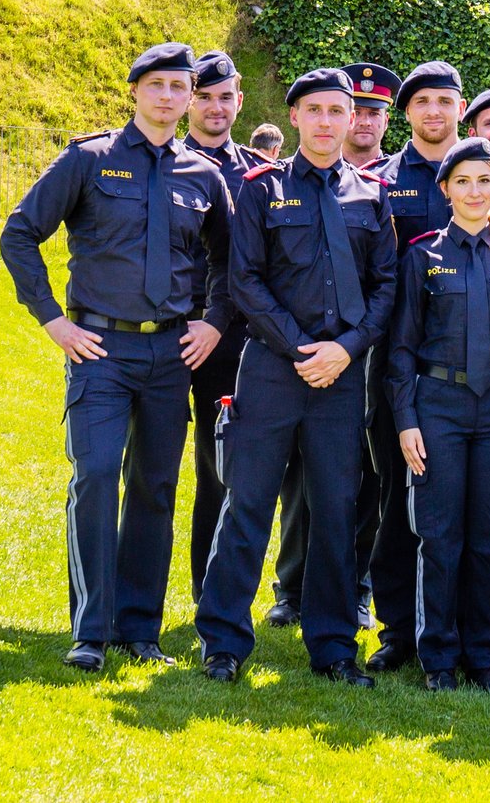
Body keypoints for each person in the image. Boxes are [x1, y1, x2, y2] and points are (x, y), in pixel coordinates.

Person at [0, 42, 232, 673]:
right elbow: (19, 234)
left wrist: (212, 324)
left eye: (179, 87)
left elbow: (233, 262)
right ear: (135, 92)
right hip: (98, 348)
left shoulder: (203, 176)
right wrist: (53, 321)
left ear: (189, 98)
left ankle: (140, 629)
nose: (168, 97)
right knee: (97, 475)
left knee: (155, 489)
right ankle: (91, 630)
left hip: (169, 351)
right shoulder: (89, 159)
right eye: (156, 85)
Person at [196, 69, 399, 685]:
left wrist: (346, 349)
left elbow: (386, 284)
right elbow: (244, 281)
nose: (327, 121)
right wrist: (303, 347)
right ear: (295, 118)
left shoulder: (370, 194)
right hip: (273, 369)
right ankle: (224, 642)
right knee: (248, 503)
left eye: (338, 111)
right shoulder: (259, 189)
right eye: (314, 110)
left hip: (342, 376)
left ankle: (334, 646)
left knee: (337, 509)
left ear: (350, 119)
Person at [388, 136, 490, 692]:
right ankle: (438, 657)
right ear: (446, 190)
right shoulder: (423, 255)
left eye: (485, 180)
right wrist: (406, 419)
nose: (475, 191)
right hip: (440, 408)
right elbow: (402, 347)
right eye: (463, 181)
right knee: (439, 534)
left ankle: (485, 656)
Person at [267, 59, 399, 630]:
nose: (361, 120)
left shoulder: (388, 184)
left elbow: (388, 274)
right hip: (299, 354)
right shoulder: (280, 184)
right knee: (301, 477)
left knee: (361, 478)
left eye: (372, 112)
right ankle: (293, 588)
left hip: (376, 348)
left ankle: (355, 589)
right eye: (356, 109)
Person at [362, 60, 468, 671]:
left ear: (461, 107)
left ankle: (467, 629)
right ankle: (399, 632)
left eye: (445, 100)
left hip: (475, 369)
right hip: (397, 363)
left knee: (475, 504)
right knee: (395, 499)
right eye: (422, 101)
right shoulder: (378, 181)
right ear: (406, 113)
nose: (434, 111)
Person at [178, 51, 266, 602]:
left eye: (225, 96)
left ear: (238, 99)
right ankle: (123, 606)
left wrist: (218, 320)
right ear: (189, 100)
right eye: (204, 96)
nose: (216, 107)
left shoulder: (258, 171)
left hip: (229, 339)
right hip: (164, 332)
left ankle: (207, 593)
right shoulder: (163, 159)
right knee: (150, 470)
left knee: (220, 468)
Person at [343, 62, 401, 168]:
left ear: (386, 121)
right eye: (356, 112)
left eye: (374, 113)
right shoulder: (319, 178)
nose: (365, 122)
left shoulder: (400, 178)